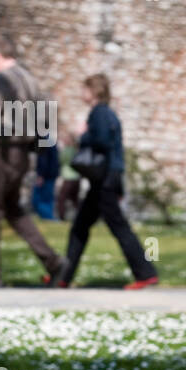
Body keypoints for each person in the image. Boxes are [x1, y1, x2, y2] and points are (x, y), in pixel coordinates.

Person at [0, 33, 66, 288]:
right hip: (22, 153)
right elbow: (45, 117)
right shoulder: (29, 79)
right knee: (13, 210)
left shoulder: (0, 80)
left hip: (0, 152)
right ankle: (54, 262)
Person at [58, 73, 158, 289]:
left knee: (118, 227)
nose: (81, 94)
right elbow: (115, 151)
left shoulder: (99, 113)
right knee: (80, 227)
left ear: (93, 91)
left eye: (84, 90)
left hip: (104, 180)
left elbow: (102, 142)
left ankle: (145, 273)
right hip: (105, 179)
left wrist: (82, 135)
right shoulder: (106, 113)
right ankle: (62, 276)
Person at [56, 131, 82, 221]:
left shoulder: (67, 150)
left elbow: (61, 160)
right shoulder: (77, 150)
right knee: (75, 200)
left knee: (61, 199)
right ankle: (82, 217)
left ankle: (61, 218)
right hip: (77, 178)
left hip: (68, 178)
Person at [31, 141, 59, 219]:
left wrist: (41, 175)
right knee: (47, 200)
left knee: (39, 200)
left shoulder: (44, 141)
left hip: (46, 176)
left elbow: (43, 159)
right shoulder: (50, 141)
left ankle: (48, 218)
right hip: (50, 175)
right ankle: (48, 217)